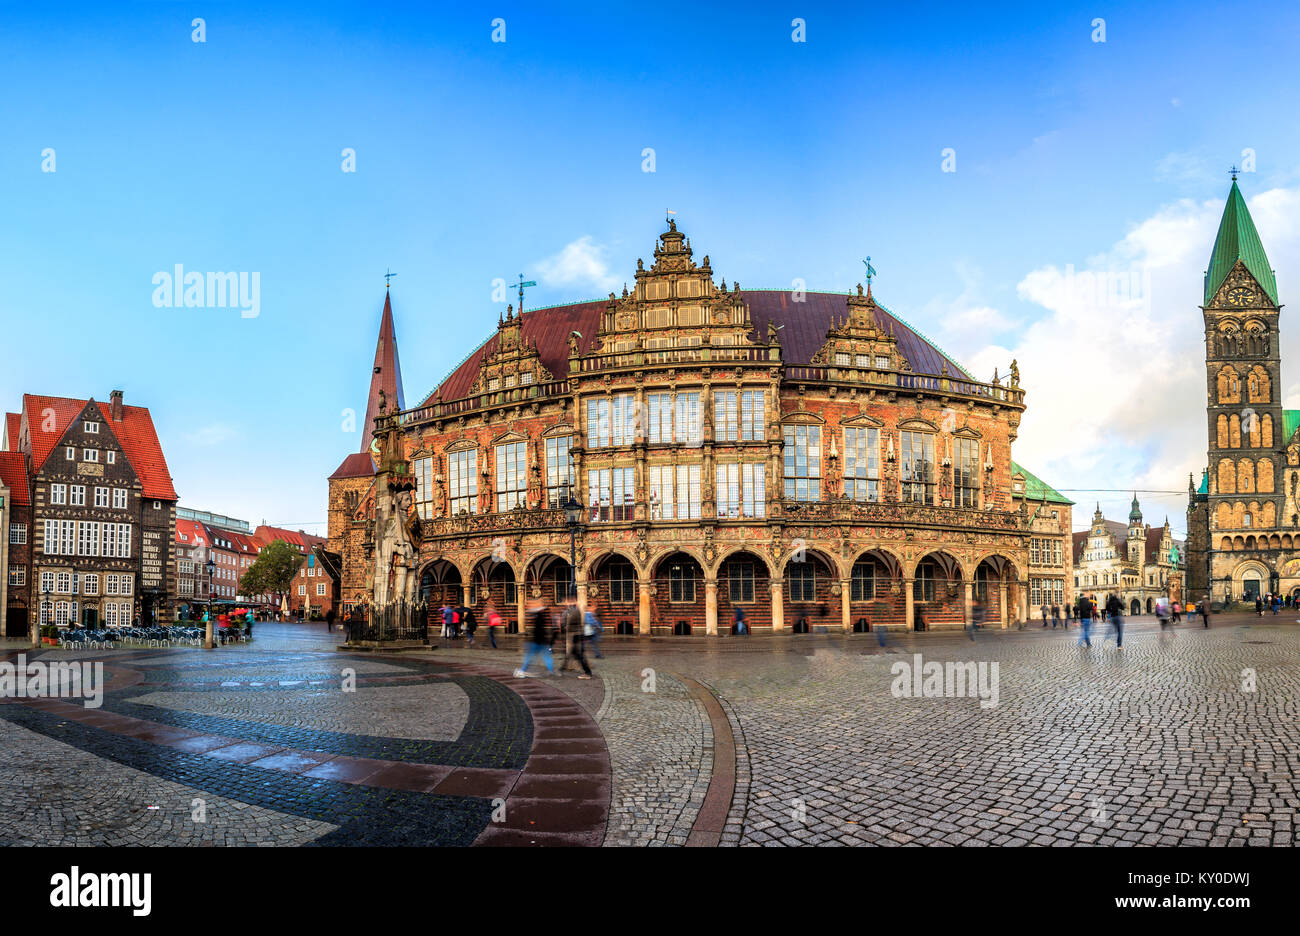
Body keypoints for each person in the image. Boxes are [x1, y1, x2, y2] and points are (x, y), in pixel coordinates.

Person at [515, 599, 555, 677]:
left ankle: (523, 670)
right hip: (541, 640)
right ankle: (551, 670)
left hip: (538, 641)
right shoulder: (541, 615)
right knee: (546, 656)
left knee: (529, 657)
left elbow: (538, 629)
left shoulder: (539, 616)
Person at [559, 596, 592, 678]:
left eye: (566, 602)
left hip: (574, 635)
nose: (565, 603)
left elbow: (569, 624)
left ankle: (587, 672)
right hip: (577, 634)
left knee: (576, 654)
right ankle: (562, 669)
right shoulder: (576, 610)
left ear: (570, 602)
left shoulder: (572, 611)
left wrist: (565, 627)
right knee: (574, 653)